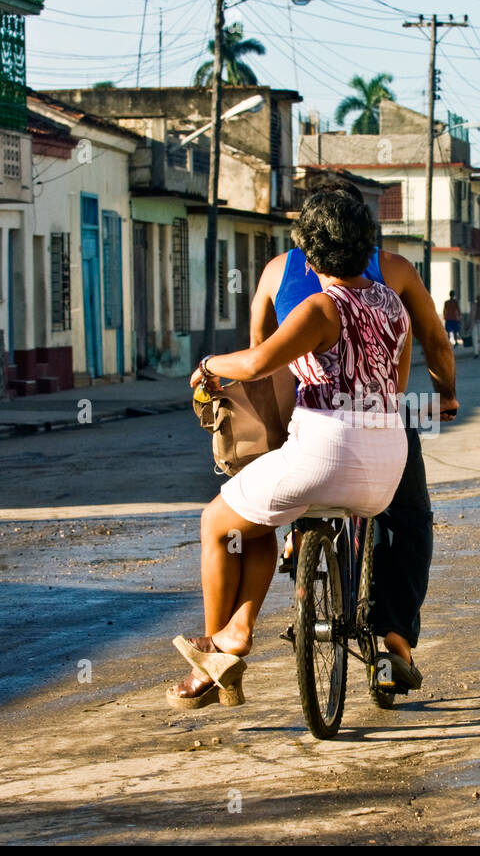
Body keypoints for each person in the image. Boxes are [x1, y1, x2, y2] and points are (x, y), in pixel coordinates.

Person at [169, 191, 414, 709]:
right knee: (254, 525)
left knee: (216, 523)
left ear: (311, 253)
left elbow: (257, 362)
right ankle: (239, 626)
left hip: (325, 453)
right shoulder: (393, 306)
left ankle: (220, 651)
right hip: (388, 461)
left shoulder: (320, 308)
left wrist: (210, 365)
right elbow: (397, 383)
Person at [248, 175, 457, 679]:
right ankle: (395, 639)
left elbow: (259, 346)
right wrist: (447, 393)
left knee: (297, 478)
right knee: (407, 520)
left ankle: (301, 537)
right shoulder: (394, 269)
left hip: (308, 420)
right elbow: (434, 340)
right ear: (363, 225)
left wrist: (273, 425)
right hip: (380, 420)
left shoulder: (277, 270)